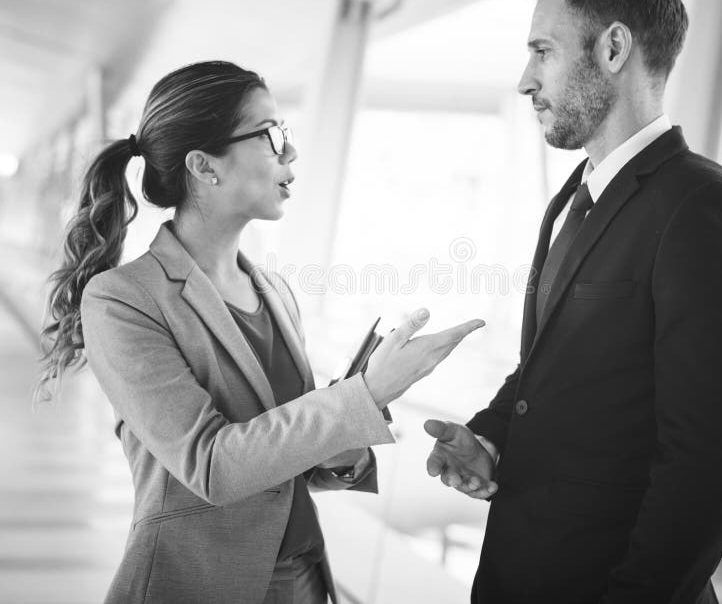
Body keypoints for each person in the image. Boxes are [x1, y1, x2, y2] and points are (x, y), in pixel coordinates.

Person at [38, 60, 484, 604]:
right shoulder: (122, 301)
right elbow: (212, 465)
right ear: (204, 166)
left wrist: (346, 446)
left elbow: (288, 458)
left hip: (303, 580)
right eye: (271, 135)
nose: (290, 153)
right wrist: (364, 396)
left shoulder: (276, 291)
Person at [424, 0, 722, 604]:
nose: (525, 80)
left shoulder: (708, 212)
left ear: (614, 48)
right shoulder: (577, 200)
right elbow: (554, 366)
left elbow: (708, 462)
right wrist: (491, 439)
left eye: (543, 51)